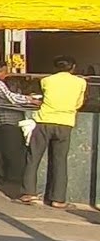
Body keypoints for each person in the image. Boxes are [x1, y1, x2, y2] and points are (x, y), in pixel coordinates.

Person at [19, 55, 87, 208]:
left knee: (33, 157)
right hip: (65, 123)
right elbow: (78, 103)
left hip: (44, 121)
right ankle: (57, 199)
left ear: (56, 68)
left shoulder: (46, 80)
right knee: (59, 161)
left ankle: (28, 193)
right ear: (73, 67)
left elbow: (46, 96)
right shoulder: (81, 82)